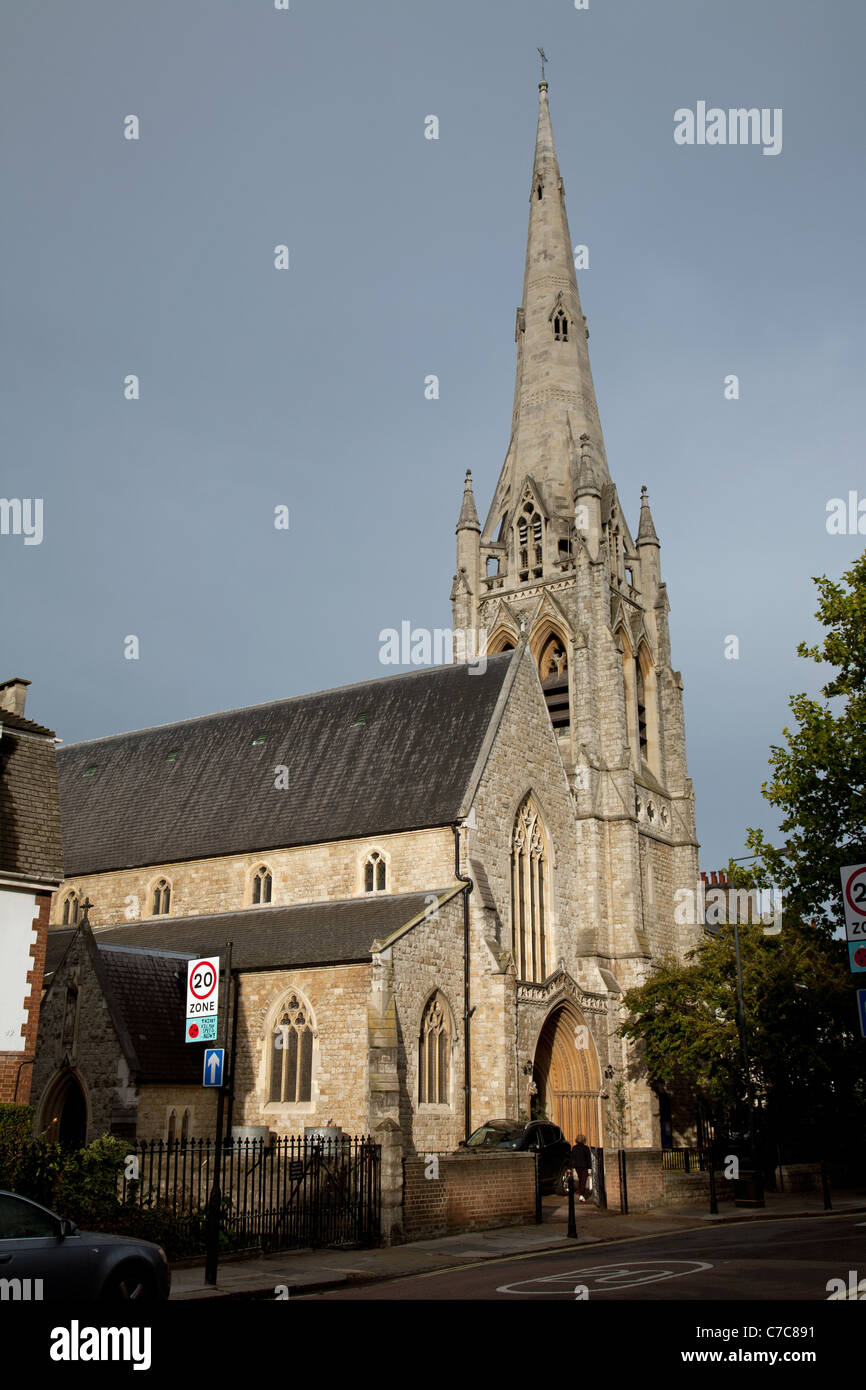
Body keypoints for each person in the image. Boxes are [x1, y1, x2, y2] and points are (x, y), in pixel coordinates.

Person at [571, 1134, 592, 1202]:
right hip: (584, 1166)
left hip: (577, 1166)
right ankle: (581, 1194)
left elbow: (572, 1157)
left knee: (580, 1179)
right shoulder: (586, 1148)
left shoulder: (574, 1148)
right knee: (583, 1180)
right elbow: (588, 1158)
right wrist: (590, 1167)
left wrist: (572, 1166)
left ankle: (581, 1193)